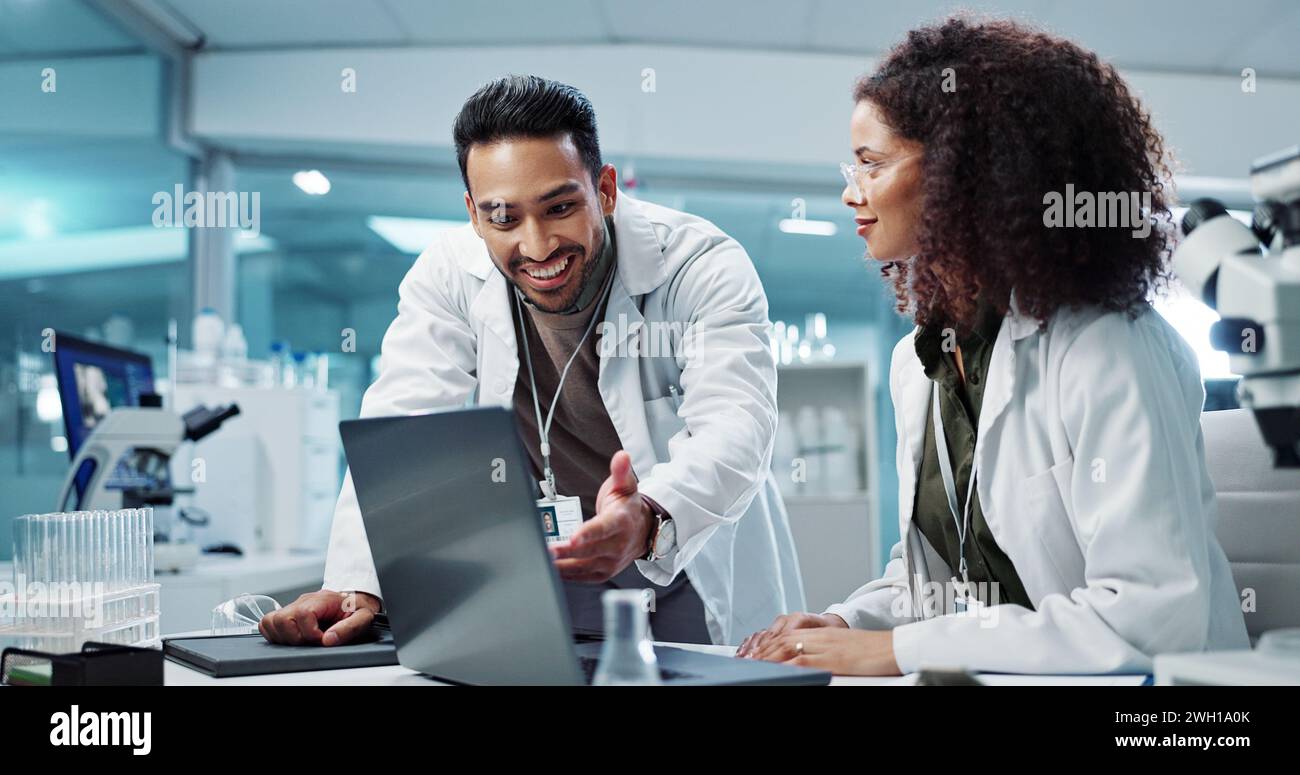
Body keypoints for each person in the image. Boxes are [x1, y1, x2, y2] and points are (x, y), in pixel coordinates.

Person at [738, 17, 1249, 674]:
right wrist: (847, 622)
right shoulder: (918, 363)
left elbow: (1150, 615)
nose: (850, 190)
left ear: (963, 172)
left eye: (873, 163)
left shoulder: (1108, 347)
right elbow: (944, 582)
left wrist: (892, 649)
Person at [260, 75, 803, 648]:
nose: (539, 244)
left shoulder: (699, 264)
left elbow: (736, 427)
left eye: (560, 207)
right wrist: (355, 585)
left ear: (607, 189)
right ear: (473, 214)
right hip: (552, 566)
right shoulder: (449, 275)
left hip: (684, 546)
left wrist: (645, 516)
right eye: (503, 218)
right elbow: (403, 429)